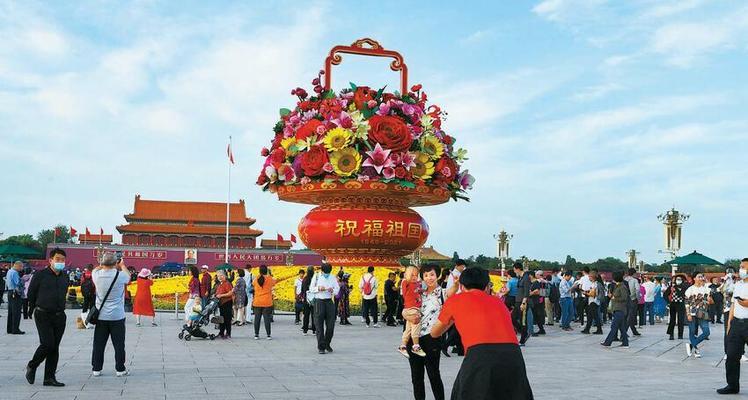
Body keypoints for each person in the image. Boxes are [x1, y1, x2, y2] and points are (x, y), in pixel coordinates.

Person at [430, 267, 533, 399]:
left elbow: (435, 333)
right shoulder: (498, 302)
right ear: (486, 287)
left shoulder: (455, 300)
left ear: (461, 286)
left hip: (480, 355)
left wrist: (451, 318)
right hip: (513, 355)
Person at [25, 248, 70, 387]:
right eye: (57, 259)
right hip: (43, 313)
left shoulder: (64, 276)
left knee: (54, 347)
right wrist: (30, 308)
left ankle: (49, 377)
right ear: (50, 260)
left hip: (59, 315)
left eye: (62, 259)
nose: (60, 262)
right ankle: (32, 366)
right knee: (47, 344)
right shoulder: (40, 275)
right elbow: (31, 292)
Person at [91, 251, 132, 377]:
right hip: (117, 316)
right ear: (115, 263)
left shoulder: (96, 275)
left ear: (102, 262)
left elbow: (96, 268)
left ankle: (96, 369)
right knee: (119, 344)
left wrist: (102, 263)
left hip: (101, 316)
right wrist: (122, 264)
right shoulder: (120, 276)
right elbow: (129, 276)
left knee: (99, 343)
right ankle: (120, 369)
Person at [407, 264, 445, 400]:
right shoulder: (418, 292)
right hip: (415, 338)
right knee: (416, 377)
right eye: (426, 275)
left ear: (438, 275)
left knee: (434, 374)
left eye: (432, 275)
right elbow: (406, 309)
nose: (429, 278)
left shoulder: (442, 293)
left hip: (432, 338)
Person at [718, 258, 748, 394]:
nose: (741, 270)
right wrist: (730, 324)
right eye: (740, 267)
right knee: (731, 356)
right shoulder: (738, 284)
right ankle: (732, 385)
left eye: (744, 267)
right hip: (736, 323)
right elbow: (733, 305)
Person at [311, 263, 340, 354]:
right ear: (322, 271)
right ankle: (321, 347)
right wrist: (319, 288)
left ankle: (327, 343)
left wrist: (333, 290)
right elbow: (311, 288)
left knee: (330, 325)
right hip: (319, 301)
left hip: (329, 302)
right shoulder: (316, 276)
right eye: (325, 272)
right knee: (319, 325)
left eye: (328, 272)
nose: (327, 274)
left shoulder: (332, 277)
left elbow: (337, 289)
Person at [398, 266, 427, 358]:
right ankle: (416, 346)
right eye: (412, 275)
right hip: (411, 308)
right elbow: (404, 283)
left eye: (416, 275)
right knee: (416, 325)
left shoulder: (417, 284)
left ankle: (403, 346)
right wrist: (407, 276)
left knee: (408, 329)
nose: (414, 277)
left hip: (414, 308)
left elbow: (420, 289)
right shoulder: (406, 282)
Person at [685, 272, 712, 358]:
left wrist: (709, 299)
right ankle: (696, 349)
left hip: (703, 313)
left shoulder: (706, 289)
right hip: (692, 313)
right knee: (692, 331)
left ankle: (691, 345)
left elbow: (711, 302)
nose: (701, 278)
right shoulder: (690, 289)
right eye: (699, 277)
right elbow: (687, 303)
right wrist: (688, 314)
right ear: (694, 279)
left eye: (702, 277)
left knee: (706, 332)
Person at [601, 271, 630, 348]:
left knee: (614, 327)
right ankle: (625, 343)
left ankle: (608, 342)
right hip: (616, 308)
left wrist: (613, 297)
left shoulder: (622, 287)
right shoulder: (617, 286)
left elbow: (624, 298)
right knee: (622, 328)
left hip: (620, 309)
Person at [251, 265, 276, 339]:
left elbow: (253, 286)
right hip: (267, 302)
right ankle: (268, 335)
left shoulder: (256, 279)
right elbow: (275, 282)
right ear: (266, 271)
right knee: (267, 319)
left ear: (259, 271)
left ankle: (256, 335)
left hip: (257, 301)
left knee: (257, 319)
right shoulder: (270, 279)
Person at [512, 262, 532, 345]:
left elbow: (526, 291)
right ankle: (524, 332)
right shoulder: (520, 278)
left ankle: (523, 339)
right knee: (512, 318)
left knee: (522, 320)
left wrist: (523, 303)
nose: (514, 271)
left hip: (523, 302)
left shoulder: (526, 278)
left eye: (514, 269)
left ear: (518, 269)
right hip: (517, 301)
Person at [665, 274, 687, 340]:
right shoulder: (671, 287)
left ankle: (680, 335)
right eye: (677, 279)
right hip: (673, 304)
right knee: (672, 320)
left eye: (679, 279)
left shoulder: (684, 287)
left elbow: (681, 295)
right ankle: (671, 334)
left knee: (681, 320)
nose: (678, 281)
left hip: (681, 304)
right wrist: (668, 302)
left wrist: (676, 288)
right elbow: (665, 294)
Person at [5, 261, 24, 334]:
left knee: (11, 312)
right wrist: (23, 281)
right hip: (15, 293)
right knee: (16, 312)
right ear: (17, 266)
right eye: (21, 267)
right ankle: (15, 329)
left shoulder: (9, 271)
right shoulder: (15, 273)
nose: (22, 268)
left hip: (10, 292)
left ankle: (10, 329)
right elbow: (18, 283)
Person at [214, 270, 234, 338]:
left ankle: (228, 333)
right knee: (222, 319)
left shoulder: (227, 283)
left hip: (227, 302)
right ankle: (221, 333)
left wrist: (221, 295)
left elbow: (230, 293)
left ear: (225, 276)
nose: (219, 277)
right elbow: (218, 293)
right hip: (221, 303)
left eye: (221, 276)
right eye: (218, 276)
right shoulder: (220, 284)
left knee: (227, 319)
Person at [623, 268, 641, 336]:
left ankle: (634, 330)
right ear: (634, 273)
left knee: (626, 316)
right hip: (632, 299)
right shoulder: (634, 280)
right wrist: (638, 298)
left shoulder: (625, 279)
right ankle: (624, 332)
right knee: (631, 316)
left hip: (625, 300)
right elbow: (638, 290)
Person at [528, 271, 546, 335]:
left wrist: (530, 293)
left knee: (536, 315)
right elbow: (543, 293)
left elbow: (539, 292)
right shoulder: (541, 282)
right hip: (539, 300)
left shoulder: (537, 282)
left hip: (536, 301)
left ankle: (541, 329)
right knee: (537, 316)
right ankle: (541, 329)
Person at [301, 266, 316, 335]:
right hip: (313, 299)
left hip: (306, 299)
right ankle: (314, 330)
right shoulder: (315, 279)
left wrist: (302, 297)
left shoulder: (305, 279)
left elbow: (302, 290)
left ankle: (305, 330)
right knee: (314, 315)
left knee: (306, 315)